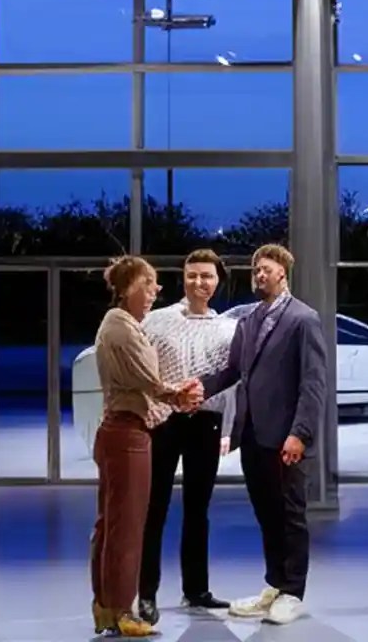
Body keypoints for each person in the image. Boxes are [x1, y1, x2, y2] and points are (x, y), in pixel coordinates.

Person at [200, 243, 328, 626]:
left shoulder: (304, 320)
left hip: (287, 438)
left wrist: (300, 434)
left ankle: (293, 592)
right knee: (267, 515)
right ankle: (274, 585)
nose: (259, 275)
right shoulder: (250, 320)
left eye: (266, 269)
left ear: (282, 273)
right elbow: (233, 371)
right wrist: (196, 391)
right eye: (256, 269)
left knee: (291, 516)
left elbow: (313, 384)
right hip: (254, 436)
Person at [90, 255, 204, 637]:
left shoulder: (122, 324)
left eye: (155, 283)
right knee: (126, 527)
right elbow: (151, 382)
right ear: (125, 289)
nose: (155, 291)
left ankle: (107, 606)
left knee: (112, 524)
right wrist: (178, 395)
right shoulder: (121, 328)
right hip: (127, 435)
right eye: (148, 283)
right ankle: (122, 610)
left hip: (120, 431)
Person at [135, 249, 236, 624]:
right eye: (192, 275)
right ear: (183, 278)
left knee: (198, 510)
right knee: (154, 509)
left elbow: (230, 383)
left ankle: (197, 589)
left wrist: (225, 427)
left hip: (205, 423)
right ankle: (146, 593)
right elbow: (141, 372)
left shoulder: (229, 329)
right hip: (162, 421)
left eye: (207, 276)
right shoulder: (156, 321)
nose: (199, 282)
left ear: (217, 281)